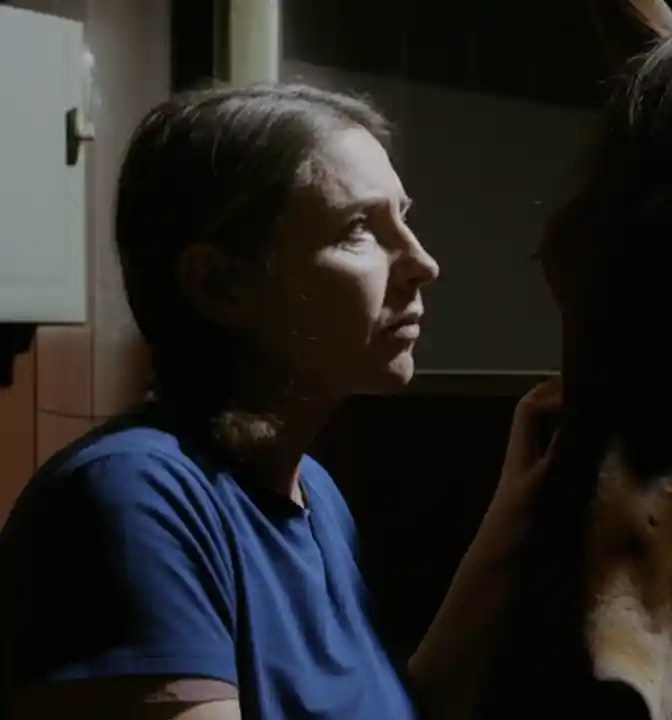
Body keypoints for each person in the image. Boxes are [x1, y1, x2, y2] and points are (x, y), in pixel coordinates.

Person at [0, 82, 562, 719]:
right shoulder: (133, 498)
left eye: (404, 218)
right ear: (219, 285)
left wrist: (521, 512)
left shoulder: (312, 494)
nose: (421, 262)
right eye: (358, 229)